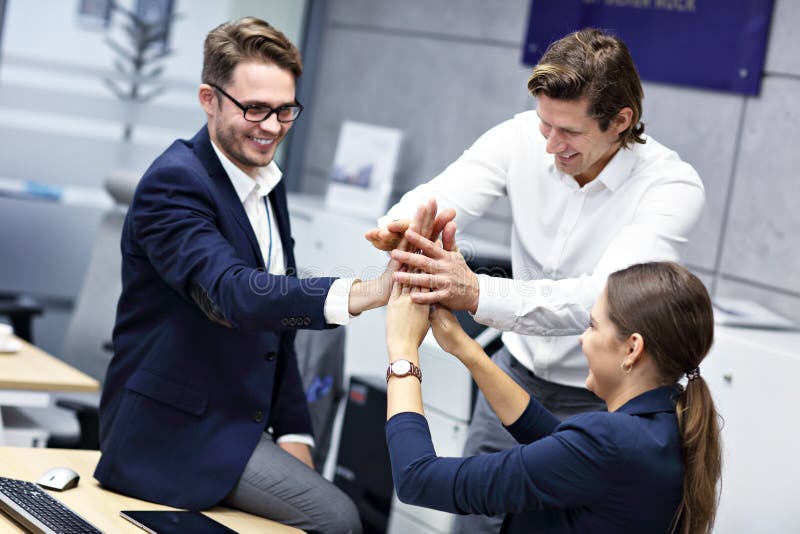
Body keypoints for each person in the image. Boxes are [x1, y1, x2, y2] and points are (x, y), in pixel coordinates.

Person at [94, 17, 430, 533]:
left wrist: (299, 433)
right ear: (210, 99)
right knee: (339, 519)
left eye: (284, 110)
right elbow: (235, 296)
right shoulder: (174, 185)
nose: (271, 127)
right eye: (254, 108)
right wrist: (368, 291)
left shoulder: (264, 181)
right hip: (173, 433)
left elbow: (278, 329)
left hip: (240, 424)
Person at [366, 28, 705, 532]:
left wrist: (473, 293)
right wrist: (406, 232)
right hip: (515, 375)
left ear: (620, 121)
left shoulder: (671, 187)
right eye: (543, 124)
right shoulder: (522, 137)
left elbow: (599, 299)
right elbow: (436, 196)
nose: (548, 144)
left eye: (567, 132)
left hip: (604, 396)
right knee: (477, 523)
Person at [384, 256, 722, 533]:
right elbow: (557, 440)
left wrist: (402, 354)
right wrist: (464, 348)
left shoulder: (609, 441)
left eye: (592, 326)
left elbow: (417, 478)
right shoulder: (665, 423)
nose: (581, 340)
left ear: (633, 348)